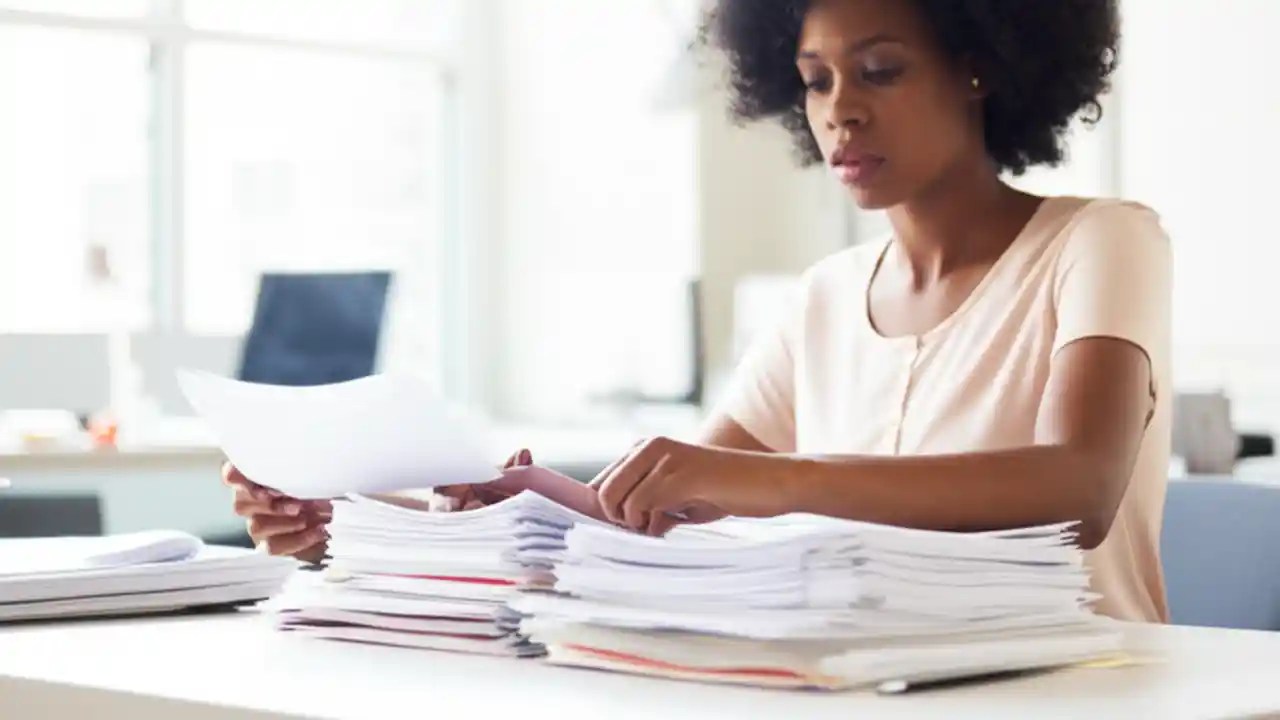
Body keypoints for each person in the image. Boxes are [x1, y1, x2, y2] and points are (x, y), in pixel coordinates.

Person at [227, 0, 1170, 623]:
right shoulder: (826, 298)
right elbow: (648, 514)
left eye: (880, 71)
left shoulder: (1099, 240)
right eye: (815, 79)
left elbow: (1075, 488)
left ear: (981, 68)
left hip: (1081, 686)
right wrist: (355, 520)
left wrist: (763, 480)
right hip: (864, 683)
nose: (839, 110)